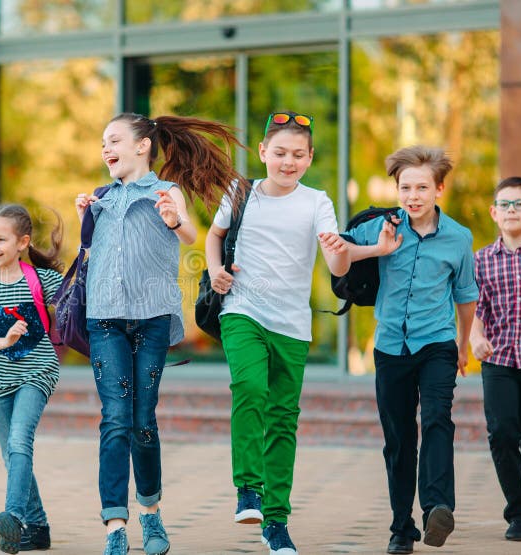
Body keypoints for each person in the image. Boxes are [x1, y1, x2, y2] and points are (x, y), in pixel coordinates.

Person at [75, 112, 246, 555]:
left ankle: (150, 513)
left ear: (142, 146)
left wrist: (172, 218)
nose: (106, 149)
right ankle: (114, 524)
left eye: (114, 140)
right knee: (115, 418)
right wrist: (83, 219)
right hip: (105, 319)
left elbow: (190, 235)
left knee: (142, 421)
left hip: (151, 320)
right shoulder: (100, 196)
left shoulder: (165, 192)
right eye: (102, 144)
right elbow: (93, 255)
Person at [205, 111, 350, 555]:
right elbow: (214, 236)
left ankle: (277, 521)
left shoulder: (318, 202)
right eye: (281, 153)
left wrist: (341, 254)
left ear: (310, 158)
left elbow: (336, 267)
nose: (289, 162)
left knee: (284, 420)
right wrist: (214, 270)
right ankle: (248, 490)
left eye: (298, 155)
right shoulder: (241, 191)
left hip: (292, 325)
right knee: (248, 386)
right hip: (242, 309)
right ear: (264, 152)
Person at [346, 145, 478, 554]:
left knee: (438, 418)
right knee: (400, 438)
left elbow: (466, 295)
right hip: (390, 348)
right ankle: (401, 527)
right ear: (397, 189)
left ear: (439, 189)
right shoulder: (380, 226)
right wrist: (378, 250)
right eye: (406, 187)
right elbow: (339, 255)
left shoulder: (459, 237)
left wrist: (462, 344)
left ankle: (438, 506)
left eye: (422, 187)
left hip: (437, 342)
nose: (413, 195)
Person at [0, 204, 64, 554]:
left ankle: (14, 516)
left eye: (1, 239)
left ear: (22, 243)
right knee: (11, 454)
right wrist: (5, 341)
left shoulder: (43, 281)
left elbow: (76, 307)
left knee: (20, 442)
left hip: (37, 371)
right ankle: (38, 528)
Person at [470, 176, 521, 542]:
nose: (512, 210)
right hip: (500, 363)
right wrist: (476, 338)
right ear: (494, 213)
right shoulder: (481, 261)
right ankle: (519, 513)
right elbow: (475, 312)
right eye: (505, 204)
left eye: (520, 204)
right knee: (503, 435)